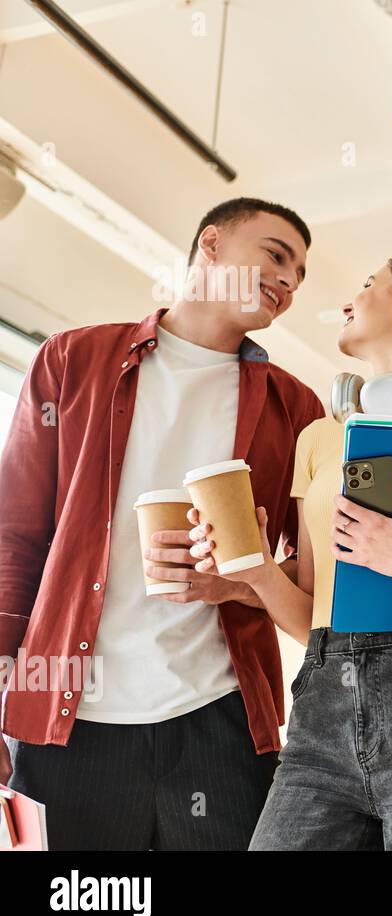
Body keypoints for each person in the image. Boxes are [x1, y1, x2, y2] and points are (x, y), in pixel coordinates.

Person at [0, 198, 323, 849]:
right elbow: (14, 535)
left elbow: (316, 581)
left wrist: (234, 584)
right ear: (211, 244)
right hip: (69, 725)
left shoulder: (296, 406)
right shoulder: (72, 362)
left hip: (222, 724)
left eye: (299, 276)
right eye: (276, 256)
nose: (288, 282)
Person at [191, 254, 392, 850]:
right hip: (321, 693)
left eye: (368, 284)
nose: (347, 300)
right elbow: (314, 607)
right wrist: (260, 574)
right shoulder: (318, 438)